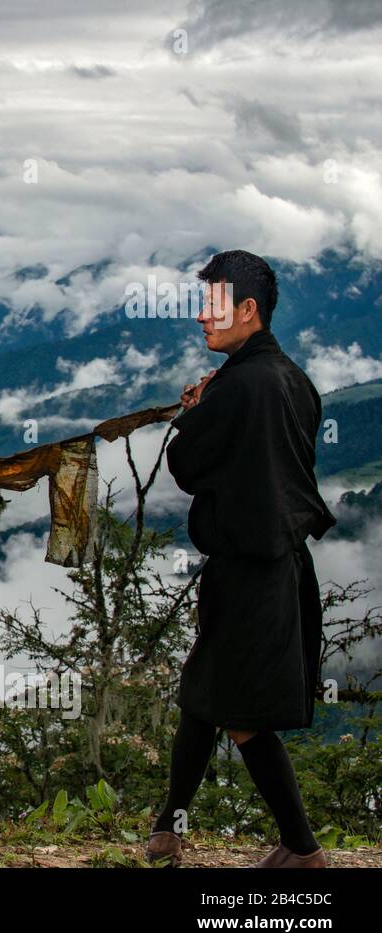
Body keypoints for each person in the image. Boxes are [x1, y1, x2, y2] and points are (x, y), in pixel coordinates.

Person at [146, 250, 336, 868]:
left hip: (252, 569)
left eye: (213, 305)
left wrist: (196, 413)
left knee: (242, 715)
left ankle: (302, 850)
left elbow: (188, 466)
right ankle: (168, 831)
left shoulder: (239, 386)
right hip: (276, 564)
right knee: (205, 696)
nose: (202, 317)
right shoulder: (291, 378)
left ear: (247, 310)